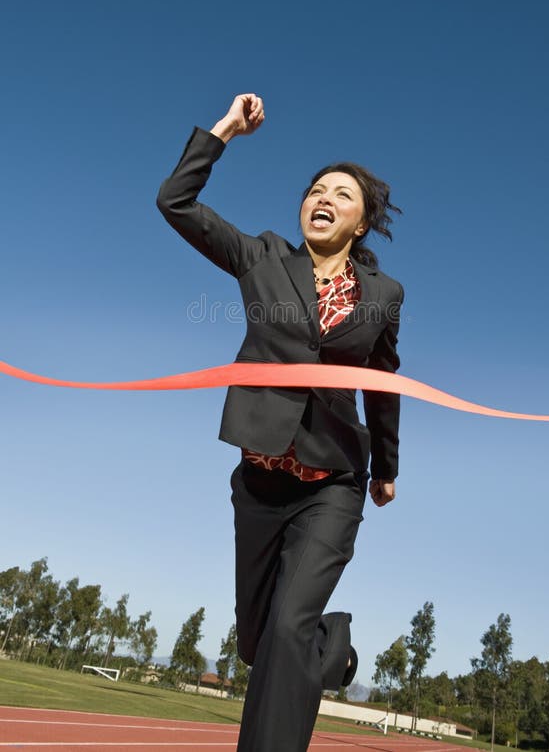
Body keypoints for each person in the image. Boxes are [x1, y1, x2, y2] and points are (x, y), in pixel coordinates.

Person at [156, 93, 404, 752]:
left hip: (333, 482)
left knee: (289, 625)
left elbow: (382, 383)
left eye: (340, 194)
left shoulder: (383, 296)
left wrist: (385, 469)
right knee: (260, 644)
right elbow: (175, 204)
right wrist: (225, 133)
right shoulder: (263, 258)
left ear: (359, 221)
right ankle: (333, 645)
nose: (322, 198)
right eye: (314, 189)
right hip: (261, 481)